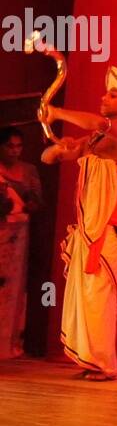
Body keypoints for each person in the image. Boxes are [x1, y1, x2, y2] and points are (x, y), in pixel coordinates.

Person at [40, 66, 117, 381]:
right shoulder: (94, 139)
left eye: (113, 94)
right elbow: (49, 158)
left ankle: (105, 364)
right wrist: (59, 146)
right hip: (88, 224)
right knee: (86, 292)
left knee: (100, 294)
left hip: (109, 225)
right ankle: (91, 360)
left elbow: (99, 122)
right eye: (106, 92)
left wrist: (57, 112)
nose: (104, 97)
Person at [0, 126, 43, 359]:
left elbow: (38, 201)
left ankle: (9, 341)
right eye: (10, 146)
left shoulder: (29, 170)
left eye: (19, 146)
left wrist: (22, 207)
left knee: (11, 289)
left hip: (17, 236)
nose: (15, 151)